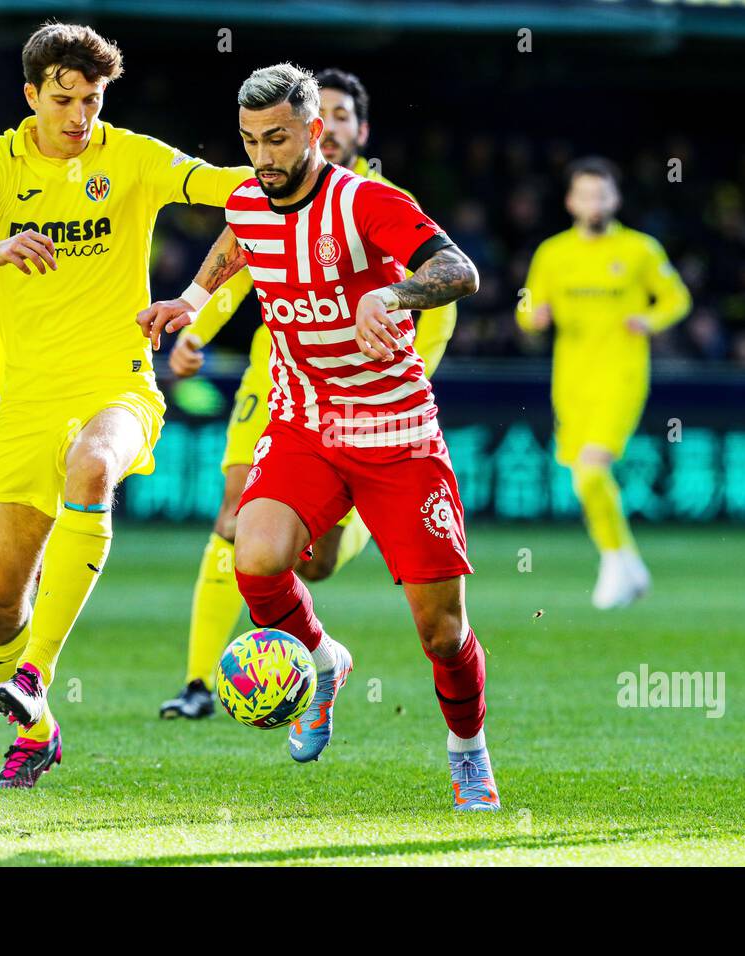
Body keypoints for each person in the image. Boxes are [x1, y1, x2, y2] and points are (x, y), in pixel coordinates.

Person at [138, 63, 497, 810]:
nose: (262, 158)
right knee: (255, 554)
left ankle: (467, 749)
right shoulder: (248, 194)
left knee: (441, 631)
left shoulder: (366, 201)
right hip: (305, 423)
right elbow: (240, 239)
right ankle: (323, 661)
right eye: (248, 142)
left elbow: (459, 270)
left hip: (396, 432)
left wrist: (394, 296)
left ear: (313, 132)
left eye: (276, 140)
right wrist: (193, 299)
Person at [0, 21, 249, 789]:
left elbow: (227, 187)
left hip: (117, 384)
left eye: (91, 99)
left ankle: (33, 678)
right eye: (64, 99)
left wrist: (283, 167)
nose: (80, 116)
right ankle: (40, 729)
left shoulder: (130, 156)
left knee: (95, 468)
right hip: (24, 406)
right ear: (32, 95)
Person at [516, 158, 690, 609]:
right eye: (586, 194)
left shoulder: (640, 250)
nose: (595, 202)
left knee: (593, 469)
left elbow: (677, 298)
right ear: (571, 201)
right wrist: (533, 316)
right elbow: (527, 304)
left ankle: (616, 564)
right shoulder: (553, 253)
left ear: (615, 199)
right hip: (570, 380)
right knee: (583, 480)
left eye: (603, 194)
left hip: (622, 375)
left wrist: (649, 320)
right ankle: (627, 563)